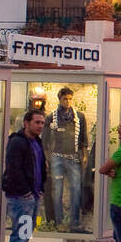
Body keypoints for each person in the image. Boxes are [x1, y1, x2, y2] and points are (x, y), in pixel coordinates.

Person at [2, 108, 48, 242]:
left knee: (26, 233)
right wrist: (25, 191)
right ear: (26, 123)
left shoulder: (36, 142)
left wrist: (40, 189)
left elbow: (40, 167)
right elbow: (14, 169)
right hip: (21, 197)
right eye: (37, 122)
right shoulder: (17, 143)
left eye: (42, 123)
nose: (40, 126)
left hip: (33, 195)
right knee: (20, 234)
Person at [43, 87, 89, 233]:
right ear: (59, 99)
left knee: (76, 189)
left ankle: (75, 222)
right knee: (57, 190)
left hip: (73, 156)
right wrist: (47, 158)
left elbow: (83, 137)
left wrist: (84, 155)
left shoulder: (79, 117)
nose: (68, 102)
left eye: (70, 99)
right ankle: (59, 221)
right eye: (65, 99)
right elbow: (45, 140)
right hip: (57, 157)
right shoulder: (51, 117)